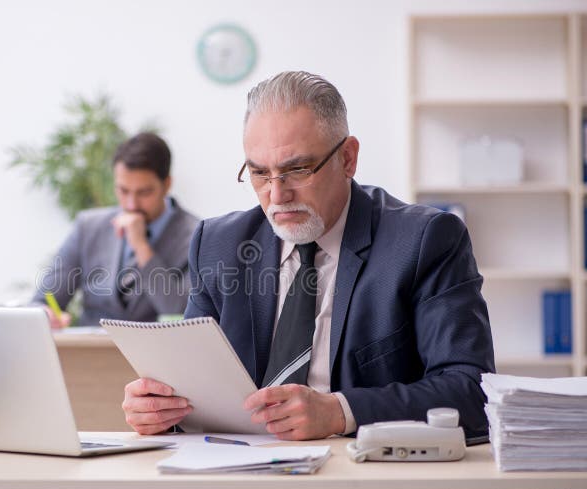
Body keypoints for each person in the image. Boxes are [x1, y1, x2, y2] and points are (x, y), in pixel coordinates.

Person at [121, 71, 495, 440]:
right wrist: (161, 409)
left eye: (296, 169)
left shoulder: (423, 240)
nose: (277, 195)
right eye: (259, 173)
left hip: (365, 478)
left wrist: (339, 411)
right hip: (239, 473)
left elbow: (470, 391)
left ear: (348, 159)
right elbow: (193, 384)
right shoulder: (218, 243)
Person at [32, 132, 199, 326]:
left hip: (156, 353)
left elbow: (181, 314)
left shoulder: (196, 236)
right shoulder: (88, 227)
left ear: (167, 184)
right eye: (123, 190)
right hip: (92, 352)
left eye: (144, 192)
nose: (131, 204)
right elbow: (42, 300)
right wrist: (45, 313)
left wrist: (142, 247)